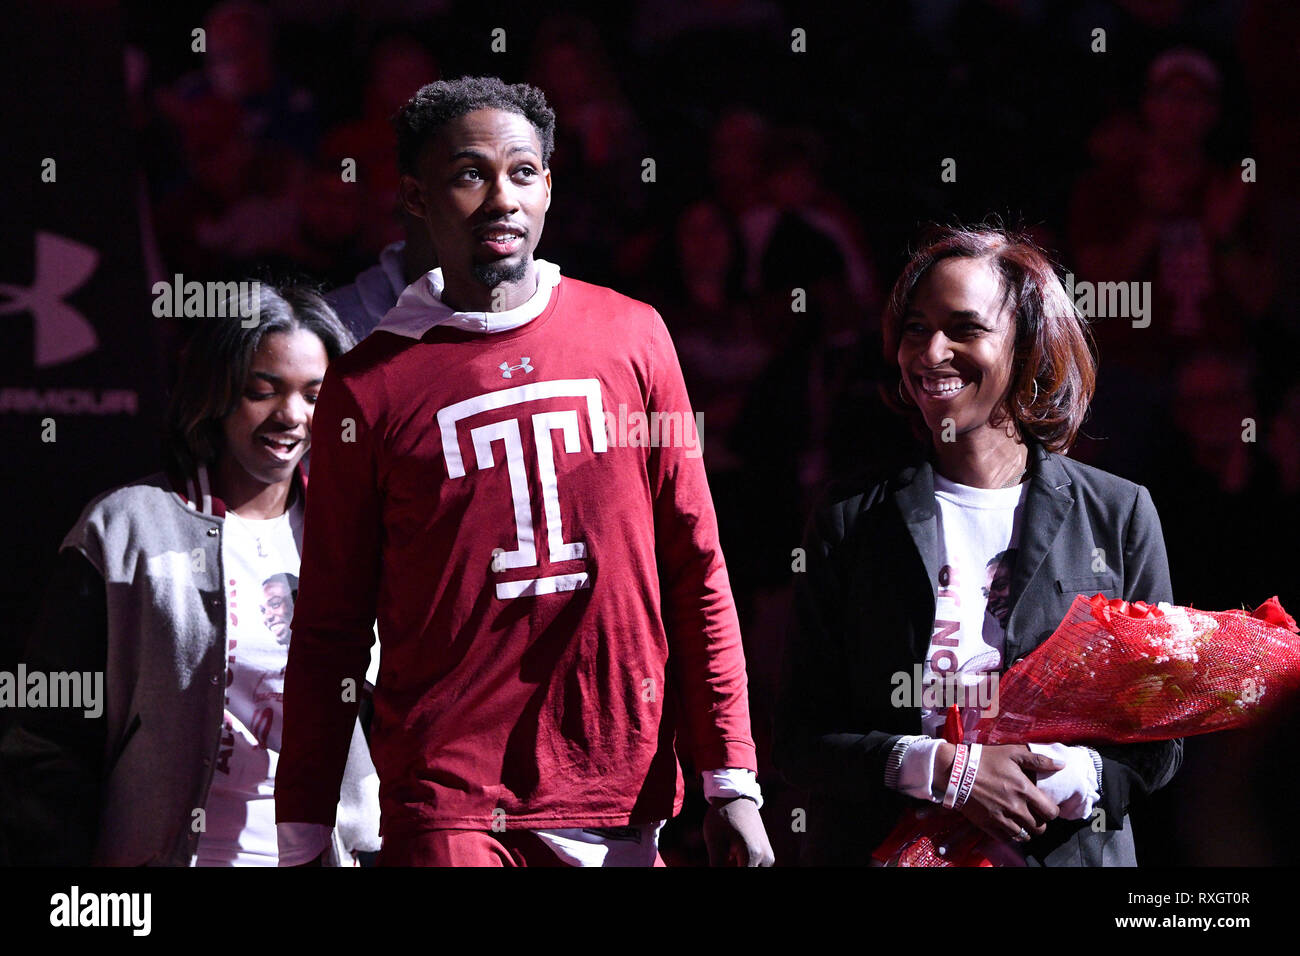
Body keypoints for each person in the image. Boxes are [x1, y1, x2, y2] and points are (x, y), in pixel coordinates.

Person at [274, 76, 773, 867]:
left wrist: (731, 779)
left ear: (549, 187)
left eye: (523, 172)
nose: (502, 197)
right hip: (448, 798)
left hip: (619, 779)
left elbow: (696, 566)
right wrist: (301, 833)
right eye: (470, 174)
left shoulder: (635, 336)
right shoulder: (367, 384)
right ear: (415, 196)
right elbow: (331, 622)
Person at [773, 225, 1183, 866]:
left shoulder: (1118, 513)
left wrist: (1070, 777)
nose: (931, 351)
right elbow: (802, 740)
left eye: (964, 328)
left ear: (1026, 347)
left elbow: (1159, 737)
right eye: (915, 328)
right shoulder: (851, 518)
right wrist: (943, 770)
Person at [0, 284, 379, 866]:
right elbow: (50, 739)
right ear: (218, 390)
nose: (292, 416)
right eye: (263, 390)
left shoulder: (358, 532)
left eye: (314, 394)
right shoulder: (125, 528)